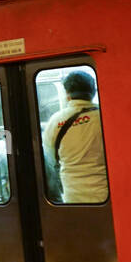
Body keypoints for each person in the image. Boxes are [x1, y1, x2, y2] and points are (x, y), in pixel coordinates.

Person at [41, 70, 107, 204]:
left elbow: (51, 157)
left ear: (67, 94)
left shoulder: (55, 121)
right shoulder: (104, 116)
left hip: (73, 197)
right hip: (105, 193)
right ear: (93, 92)